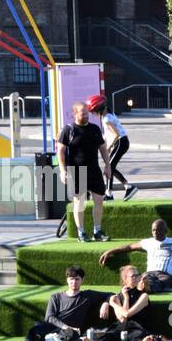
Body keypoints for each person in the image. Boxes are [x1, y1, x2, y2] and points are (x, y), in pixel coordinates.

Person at [56, 100, 111, 242]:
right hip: (77, 171)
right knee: (79, 202)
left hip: (94, 170)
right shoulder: (68, 130)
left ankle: (97, 231)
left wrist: (108, 165)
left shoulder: (95, 129)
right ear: (75, 114)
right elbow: (60, 151)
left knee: (99, 200)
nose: (86, 115)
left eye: (87, 113)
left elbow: (103, 148)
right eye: (82, 113)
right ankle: (81, 232)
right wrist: (63, 170)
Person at [84, 264, 172, 341]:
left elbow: (127, 314)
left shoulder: (143, 296)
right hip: (122, 325)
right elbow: (122, 319)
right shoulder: (118, 297)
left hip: (138, 324)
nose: (136, 278)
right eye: (133, 276)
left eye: (137, 275)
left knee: (136, 333)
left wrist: (113, 303)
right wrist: (124, 298)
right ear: (125, 279)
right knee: (111, 333)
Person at [22, 264, 107, 341]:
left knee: (70, 334)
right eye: (71, 279)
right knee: (31, 337)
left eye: (77, 279)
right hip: (54, 327)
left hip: (71, 332)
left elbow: (110, 295)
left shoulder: (87, 295)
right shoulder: (56, 297)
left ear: (82, 280)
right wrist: (65, 326)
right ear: (67, 280)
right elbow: (49, 317)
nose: (74, 282)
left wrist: (105, 303)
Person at [86, 94, 136, 201]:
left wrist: (107, 147)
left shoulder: (106, 119)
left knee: (109, 168)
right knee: (110, 167)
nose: (92, 114)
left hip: (120, 142)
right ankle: (128, 187)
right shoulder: (107, 113)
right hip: (121, 142)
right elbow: (108, 133)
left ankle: (109, 194)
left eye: (92, 111)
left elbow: (115, 134)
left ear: (97, 109)